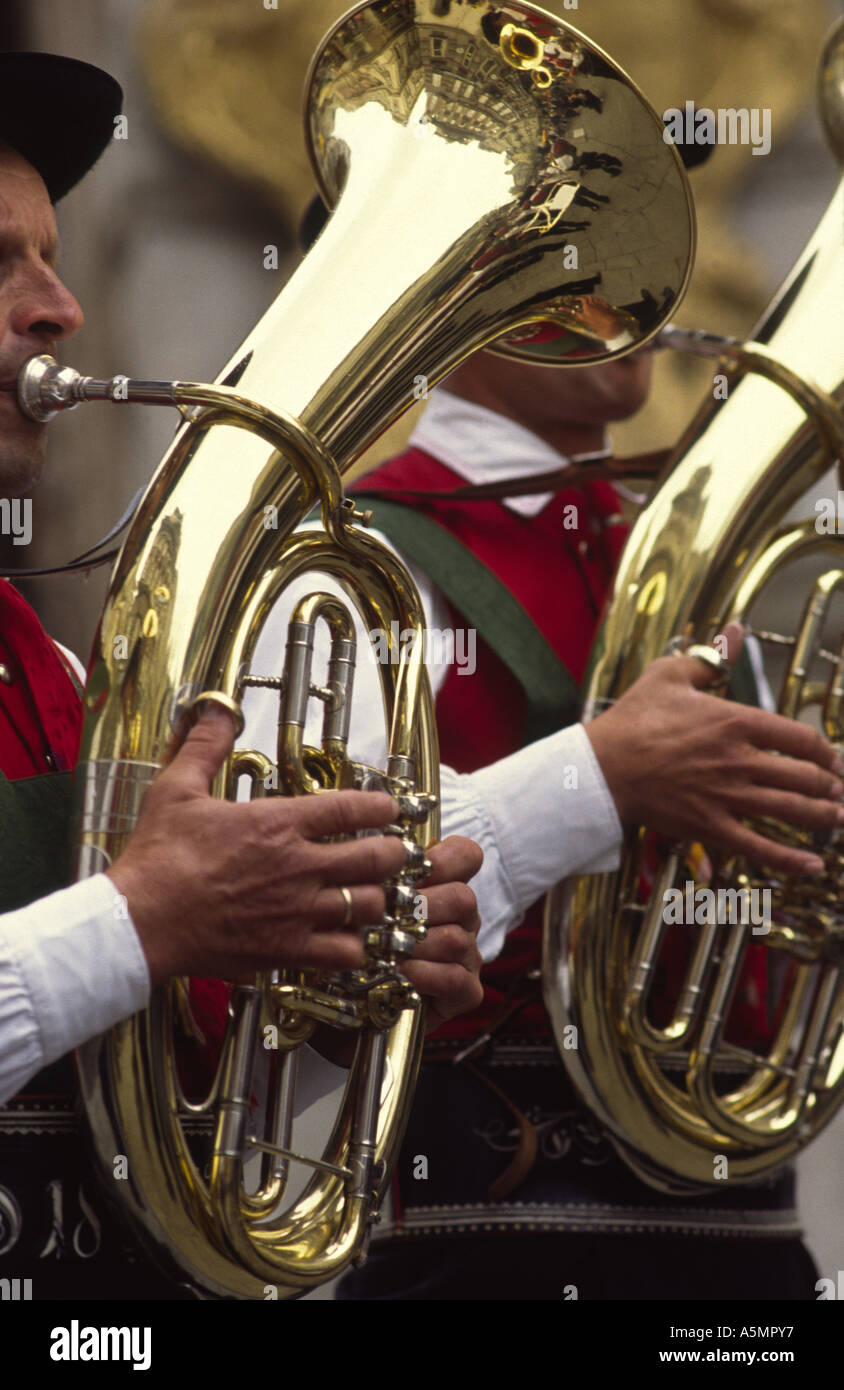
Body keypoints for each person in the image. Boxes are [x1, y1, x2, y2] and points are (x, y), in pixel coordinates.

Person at [0, 53, 484, 1297]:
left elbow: (156, 1067)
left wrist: (311, 958)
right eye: (2, 263)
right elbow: (110, 941)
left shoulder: (43, 665)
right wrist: (144, 916)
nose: (62, 311)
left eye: (52, 258)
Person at [306, 340, 840, 1301]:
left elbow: (763, 922)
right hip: (488, 1254)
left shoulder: (698, 566)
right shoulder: (362, 557)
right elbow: (300, 939)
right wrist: (604, 781)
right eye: (577, 254)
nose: (629, 304)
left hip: (754, 1257)